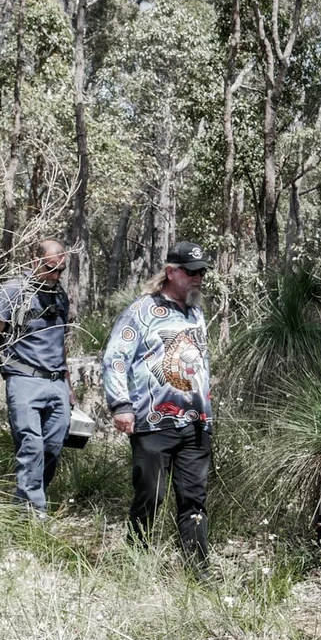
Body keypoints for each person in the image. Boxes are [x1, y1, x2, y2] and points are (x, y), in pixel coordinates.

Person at [102, 241, 213, 570]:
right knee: (151, 496)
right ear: (171, 272)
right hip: (152, 421)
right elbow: (115, 358)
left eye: (201, 272)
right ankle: (136, 563)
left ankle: (198, 571)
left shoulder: (196, 312)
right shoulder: (142, 311)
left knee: (194, 499)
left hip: (196, 423)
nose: (198, 278)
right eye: (191, 272)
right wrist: (121, 405)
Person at [0, 239, 74, 515]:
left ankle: (28, 500)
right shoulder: (13, 291)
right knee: (31, 446)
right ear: (35, 262)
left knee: (53, 447)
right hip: (23, 380)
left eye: (61, 270)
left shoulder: (60, 295)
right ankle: (32, 514)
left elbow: (60, 343)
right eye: (50, 268)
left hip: (56, 382)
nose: (55, 275)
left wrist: (68, 385)